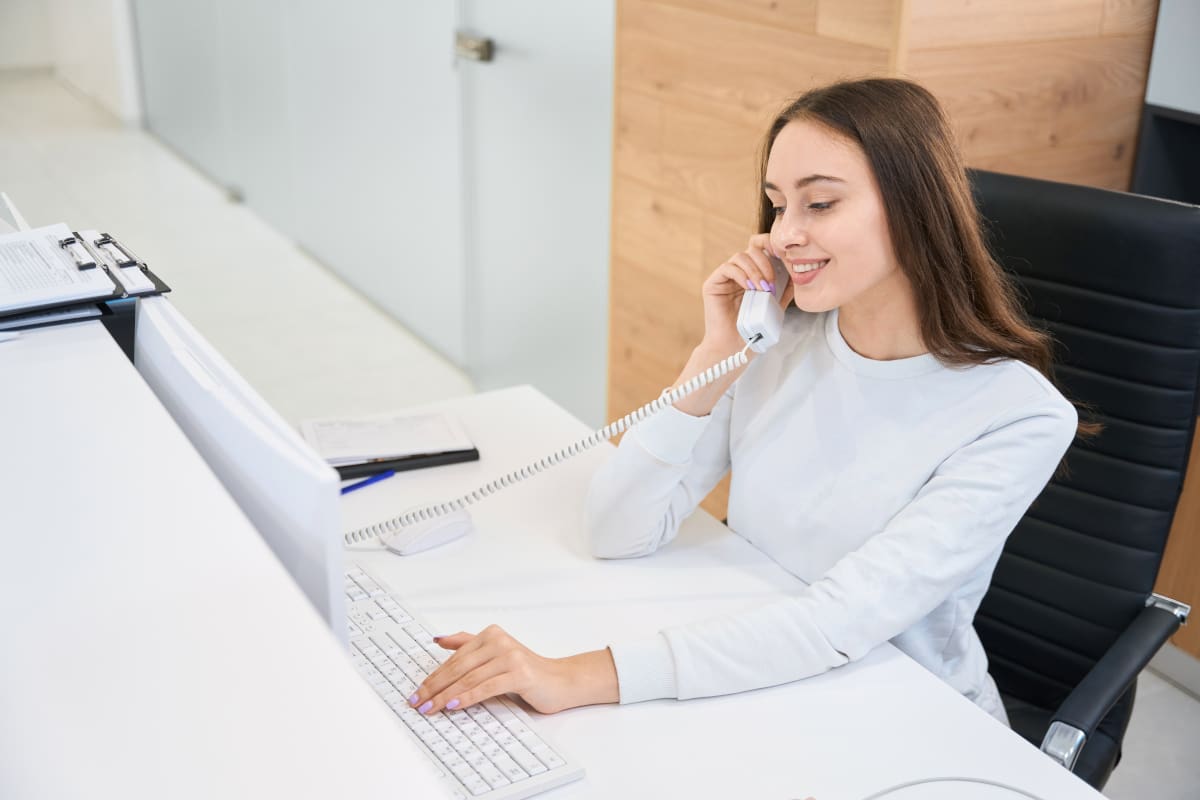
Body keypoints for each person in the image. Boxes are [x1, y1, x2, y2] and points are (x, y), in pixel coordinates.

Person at [406, 78, 1082, 725]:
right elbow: (617, 532)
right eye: (778, 205)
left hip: (902, 705)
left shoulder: (1018, 416)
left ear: (915, 209)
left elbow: (837, 622)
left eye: (820, 204)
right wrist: (717, 353)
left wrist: (572, 677)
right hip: (753, 663)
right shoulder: (779, 343)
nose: (784, 235)